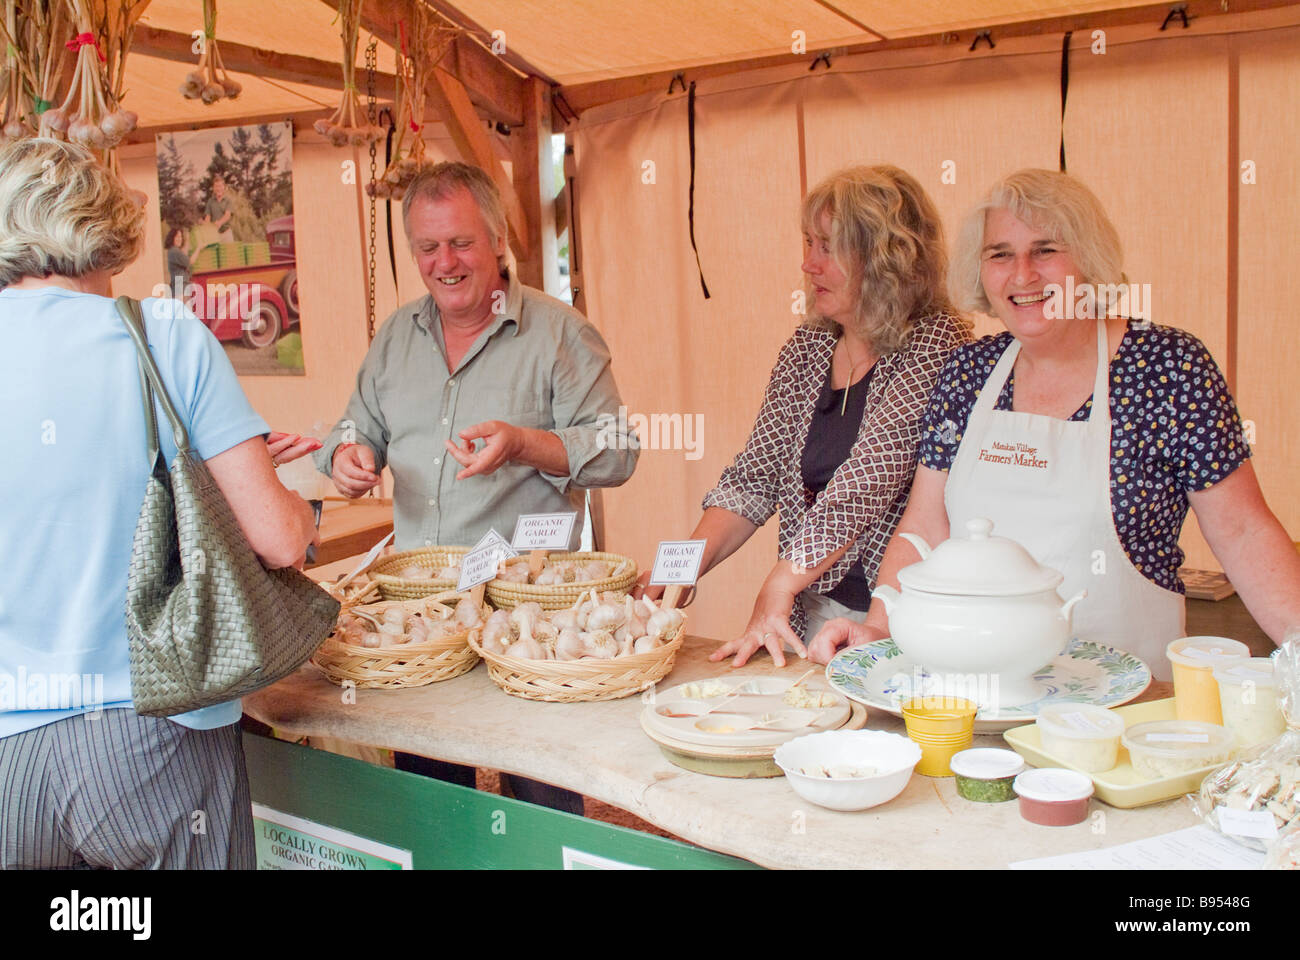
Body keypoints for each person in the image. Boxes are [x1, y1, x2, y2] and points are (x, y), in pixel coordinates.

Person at [809, 168, 1300, 679]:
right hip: (980, 686)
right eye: (1000, 254)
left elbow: (1243, 532)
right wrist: (884, 624)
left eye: (1045, 249)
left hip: (1124, 703)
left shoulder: (1168, 367)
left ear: (1088, 259)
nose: (1022, 275)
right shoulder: (969, 372)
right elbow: (925, 526)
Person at [0, 138, 320, 868]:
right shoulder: (163, 336)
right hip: (155, 736)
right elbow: (274, 540)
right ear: (104, 231)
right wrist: (297, 513)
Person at [314, 161, 638, 813]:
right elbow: (357, 427)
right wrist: (348, 455)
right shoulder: (395, 339)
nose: (445, 262)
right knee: (430, 794)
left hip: (527, 612)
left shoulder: (559, 332)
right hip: (420, 615)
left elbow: (618, 452)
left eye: (461, 242)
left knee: (538, 789)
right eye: (427, 247)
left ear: (498, 239)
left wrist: (524, 442)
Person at [640, 165, 972, 668]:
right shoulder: (809, 346)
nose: (807, 264)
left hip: (904, 618)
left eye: (826, 247)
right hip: (816, 612)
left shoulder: (938, 343)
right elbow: (754, 477)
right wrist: (680, 568)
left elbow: (866, 482)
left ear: (885, 257)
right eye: (808, 243)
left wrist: (779, 581)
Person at [202, 173, 233, 238]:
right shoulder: (210, 201)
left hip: (226, 233)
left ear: (224, 187)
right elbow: (208, 217)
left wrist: (219, 223)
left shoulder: (228, 200)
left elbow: (227, 215)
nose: (218, 189)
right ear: (213, 188)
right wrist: (207, 226)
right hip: (214, 234)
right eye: (216, 186)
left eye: (220, 186)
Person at [165, 225, 192, 293]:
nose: (179, 239)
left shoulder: (174, 251)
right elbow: (188, 262)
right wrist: (198, 249)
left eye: (180, 237)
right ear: (172, 238)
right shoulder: (174, 251)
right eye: (177, 237)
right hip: (179, 284)